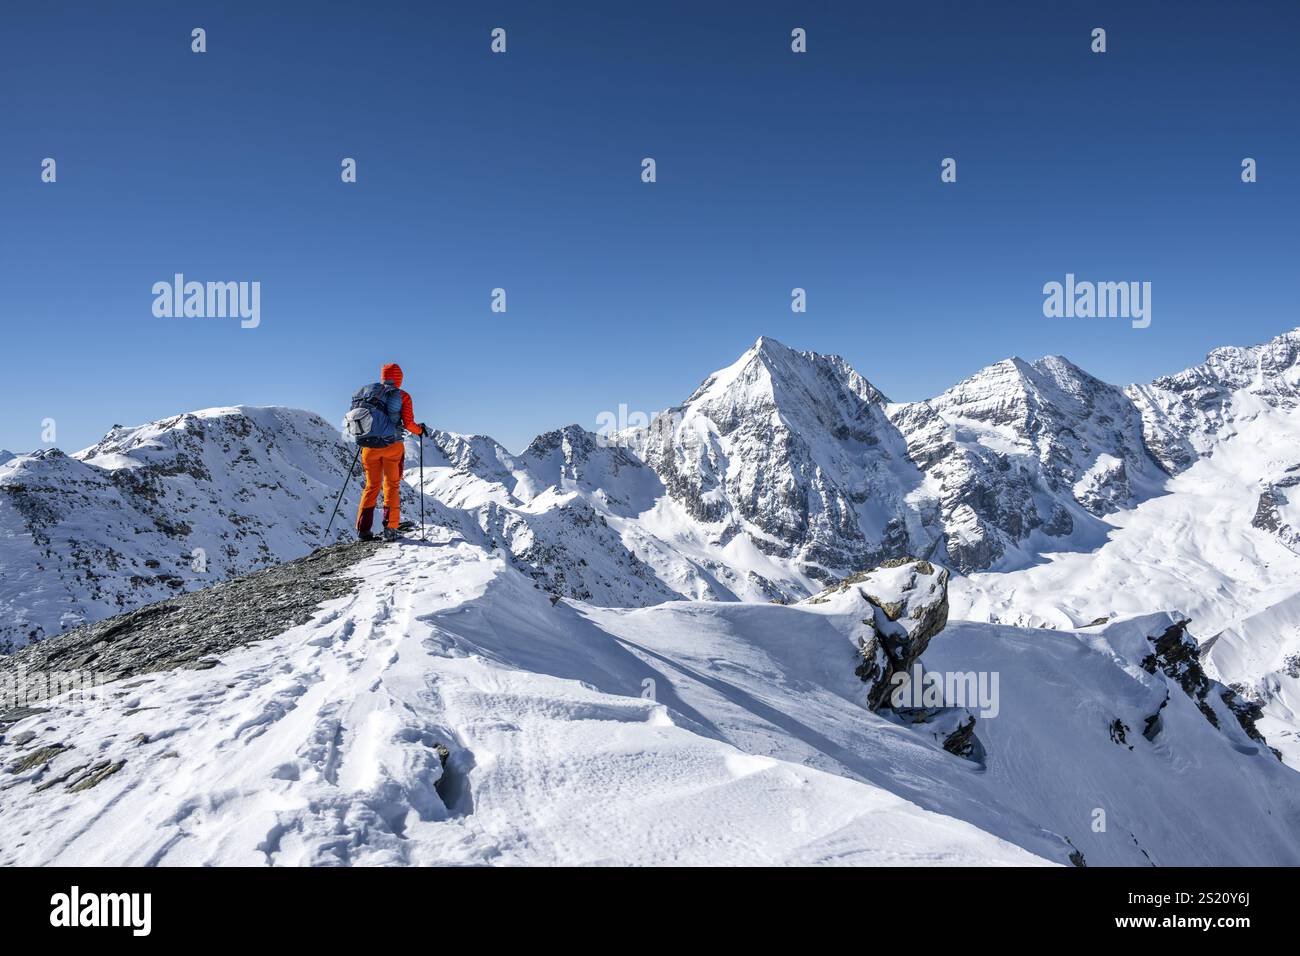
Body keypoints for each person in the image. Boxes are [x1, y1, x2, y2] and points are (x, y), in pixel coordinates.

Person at [356, 363, 431, 542]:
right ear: (399, 378)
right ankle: (390, 528)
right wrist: (420, 431)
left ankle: (363, 530)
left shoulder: (367, 394)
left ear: (383, 376)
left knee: (371, 486)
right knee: (391, 486)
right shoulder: (402, 396)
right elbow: (409, 423)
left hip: (369, 447)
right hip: (392, 446)